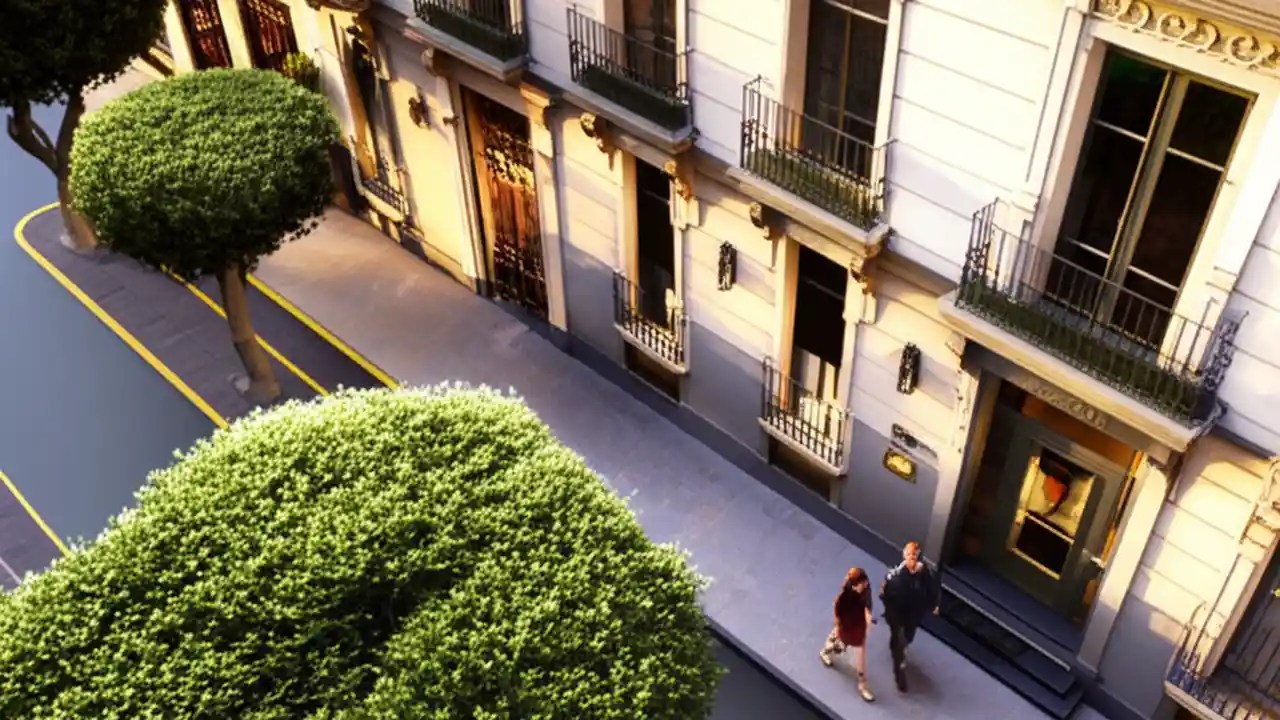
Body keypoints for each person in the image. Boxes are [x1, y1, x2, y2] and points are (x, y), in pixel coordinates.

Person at [880, 541, 941, 693]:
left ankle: (901, 645)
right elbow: (886, 594)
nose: (912, 558)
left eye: (914, 555)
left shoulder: (924, 572)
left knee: (909, 634)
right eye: (909, 554)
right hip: (899, 613)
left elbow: (931, 588)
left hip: (914, 611)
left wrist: (934, 604)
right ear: (904, 555)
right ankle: (899, 672)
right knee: (899, 641)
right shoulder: (896, 576)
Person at [819, 567, 876, 702]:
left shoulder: (866, 590)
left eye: (860, 585)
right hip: (847, 626)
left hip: (858, 628)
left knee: (860, 657)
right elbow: (838, 609)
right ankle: (825, 651)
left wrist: (867, 617)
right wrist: (839, 623)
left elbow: (867, 606)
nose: (858, 588)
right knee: (839, 644)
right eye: (856, 586)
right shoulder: (846, 595)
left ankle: (862, 685)